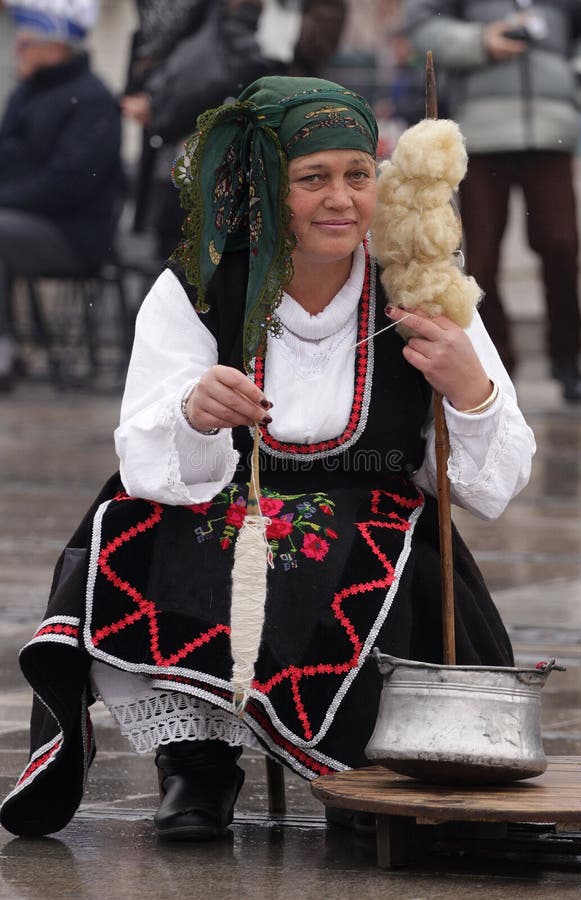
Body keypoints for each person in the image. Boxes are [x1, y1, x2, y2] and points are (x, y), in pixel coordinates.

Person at [0, 75, 535, 842]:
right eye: (313, 178)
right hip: (226, 497)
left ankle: (360, 765)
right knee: (131, 529)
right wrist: (193, 412)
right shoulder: (200, 287)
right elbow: (144, 448)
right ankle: (198, 758)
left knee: (363, 560)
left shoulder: (421, 288)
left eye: (359, 174)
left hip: (374, 518)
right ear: (263, 188)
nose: (341, 199)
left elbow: (491, 486)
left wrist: (470, 390)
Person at [404, 0, 581, 402]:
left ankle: (568, 358)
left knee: (562, 245)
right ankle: (497, 363)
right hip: (480, 132)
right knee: (482, 257)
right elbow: (422, 26)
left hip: (552, 130)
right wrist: (479, 41)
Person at [121, 0, 347, 257]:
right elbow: (195, 52)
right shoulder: (220, 19)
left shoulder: (310, 14)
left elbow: (315, 45)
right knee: (189, 236)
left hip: (274, 132)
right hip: (205, 134)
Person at [0, 0, 122, 390]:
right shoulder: (27, 93)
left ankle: (3, 350)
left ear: (55, 49)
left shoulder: (92, 99)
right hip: (26, 219)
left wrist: (6, 197)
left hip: (73, 234)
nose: (15, 49)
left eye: (25, 43)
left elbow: (68, 184)